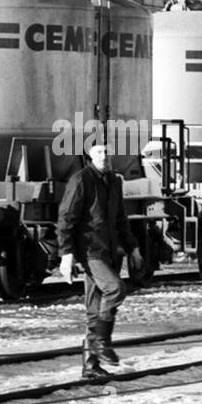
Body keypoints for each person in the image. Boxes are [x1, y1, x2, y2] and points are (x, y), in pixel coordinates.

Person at [57, 141, 143, 383]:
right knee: (115, 289)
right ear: (89, 156)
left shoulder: (114, 181)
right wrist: (66, 253)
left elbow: (120, 219)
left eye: (107, 151)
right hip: (90, 251)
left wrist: (133, 247)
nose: (104, 155)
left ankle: (90, 365)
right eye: (98, 152)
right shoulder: (81, 180)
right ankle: (100, 342)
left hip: (110, 251)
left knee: (95, 309)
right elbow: (66, 217)